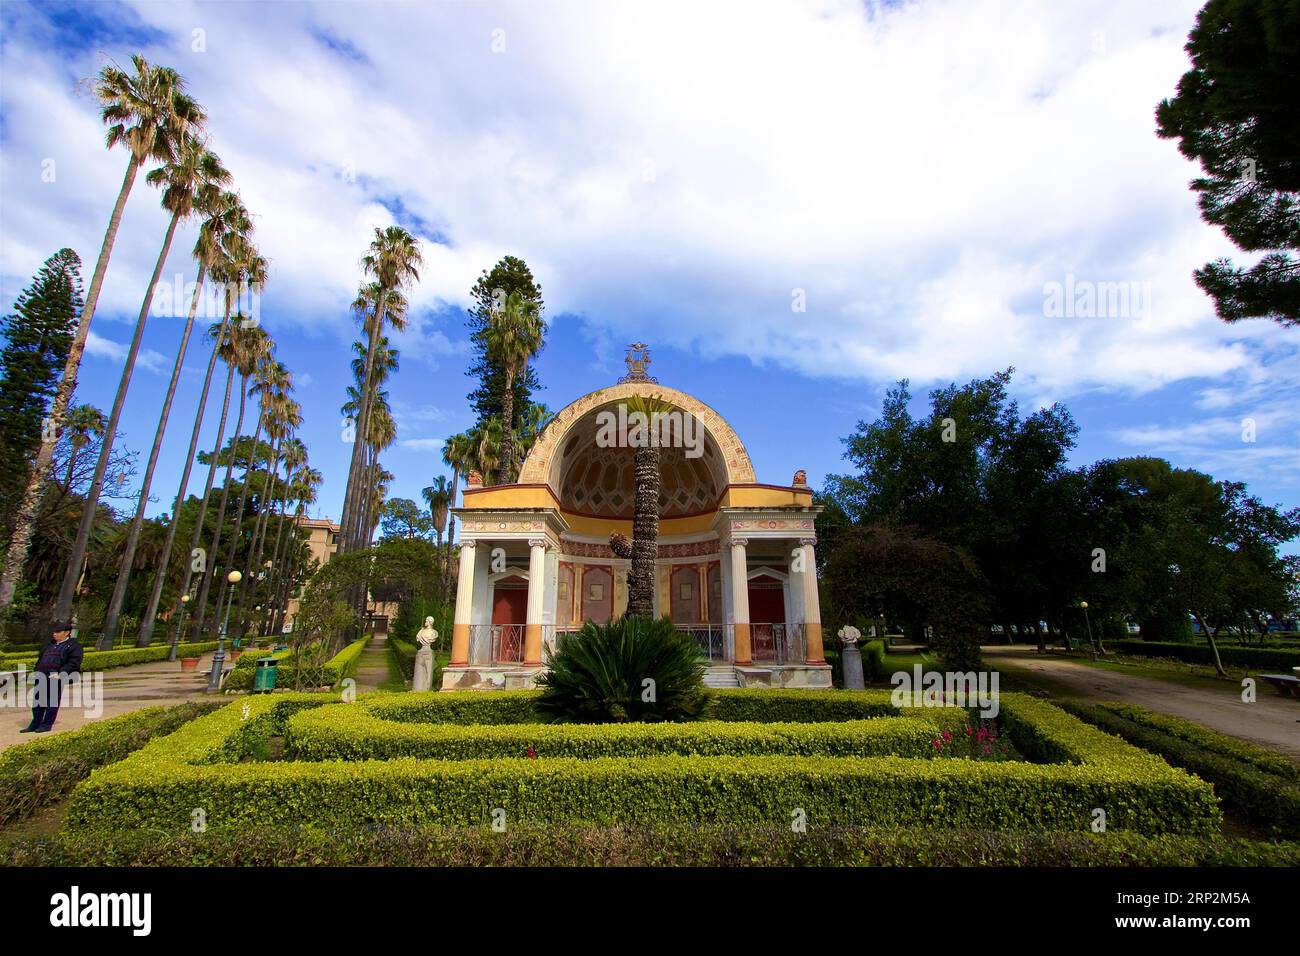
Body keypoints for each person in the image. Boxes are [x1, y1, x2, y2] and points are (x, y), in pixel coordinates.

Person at [22, 619, 82, 734]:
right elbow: (40, 660)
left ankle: (46, 724)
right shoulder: (48, 645)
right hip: (41, 676)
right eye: (54, 632)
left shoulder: (74, 646)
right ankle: (35, 724)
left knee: (51, 702)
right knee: (38, 702)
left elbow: (74, 662)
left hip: (56, 678)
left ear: (66, 632)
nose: (54, 634)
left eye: (58, 632)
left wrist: (61, 673)